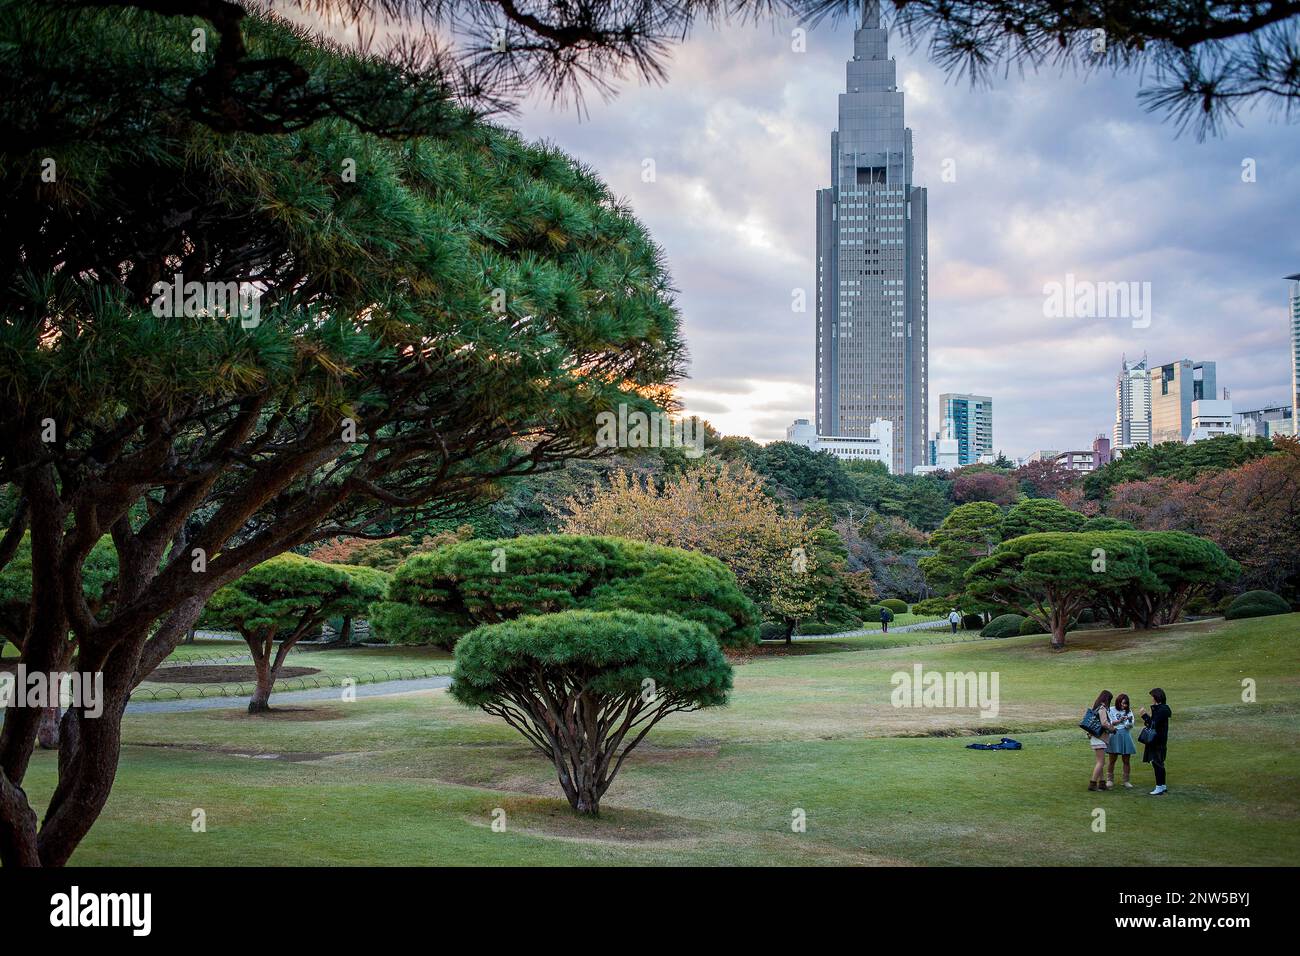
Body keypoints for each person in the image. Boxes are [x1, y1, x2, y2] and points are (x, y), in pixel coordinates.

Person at [1140, 687, 1172, 796]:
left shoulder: (1161, 710)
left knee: (1157, 763)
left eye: (1152, 697)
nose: (1151, 699)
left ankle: (1159, 787)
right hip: (1160, 740)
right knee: (1159, 763)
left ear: (1156, 697)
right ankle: (1162, 785)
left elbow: (1153, 724)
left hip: (1157, 741)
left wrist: (1144, 715)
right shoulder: (1162, 709)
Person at [1105, 693, 1137, 789]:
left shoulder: (1129, 711)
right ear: (1118, 702)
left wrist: (1128, 721)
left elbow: (1130, 725)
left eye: (1126, 704)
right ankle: (1109, 780)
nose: (1124, 705)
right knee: (1112, 759)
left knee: (1126, 760)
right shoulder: (1111, 709)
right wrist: (1120, 720)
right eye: (1122, 703)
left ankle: (1126, 781)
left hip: (1125, 735)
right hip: (1114, 735)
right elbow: (1109, 722)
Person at [1086, 690, 1115, 791]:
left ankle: (1102, 783)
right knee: (1101, 762)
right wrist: (1112, 729)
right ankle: (1093, 784)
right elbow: (1104, 723)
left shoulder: (1097, 707)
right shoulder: (1102, 708)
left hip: (1095, 737)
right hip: (1099, 738)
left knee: (1100, 761)